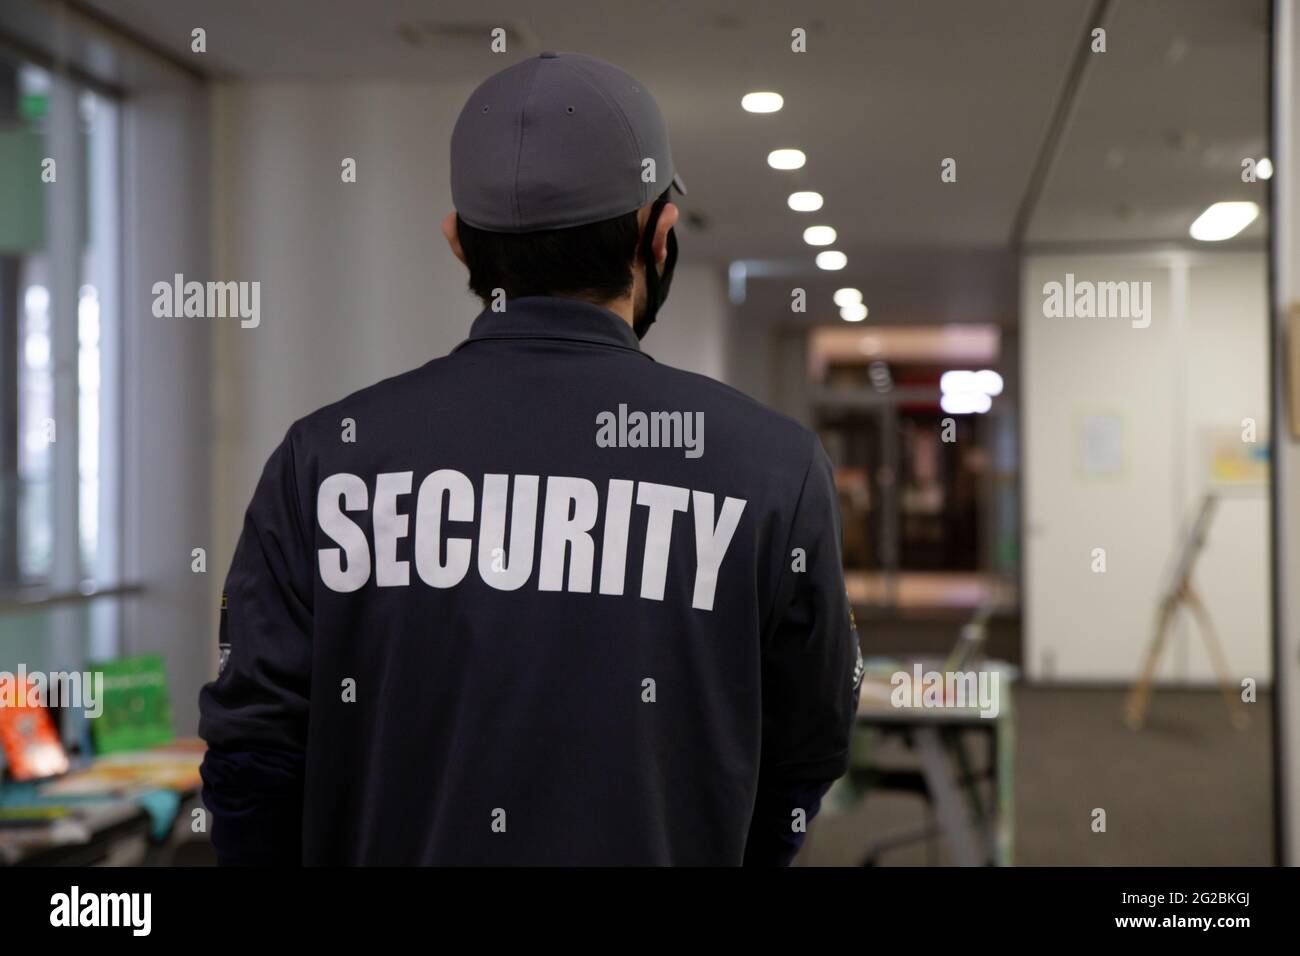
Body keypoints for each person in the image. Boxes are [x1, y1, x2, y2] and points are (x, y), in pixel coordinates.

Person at [199, 51, 862, 866]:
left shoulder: (323, 460)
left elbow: (250, 759)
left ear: (458, 244)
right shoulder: (774, 467)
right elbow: (809, 750)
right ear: (659, 235)